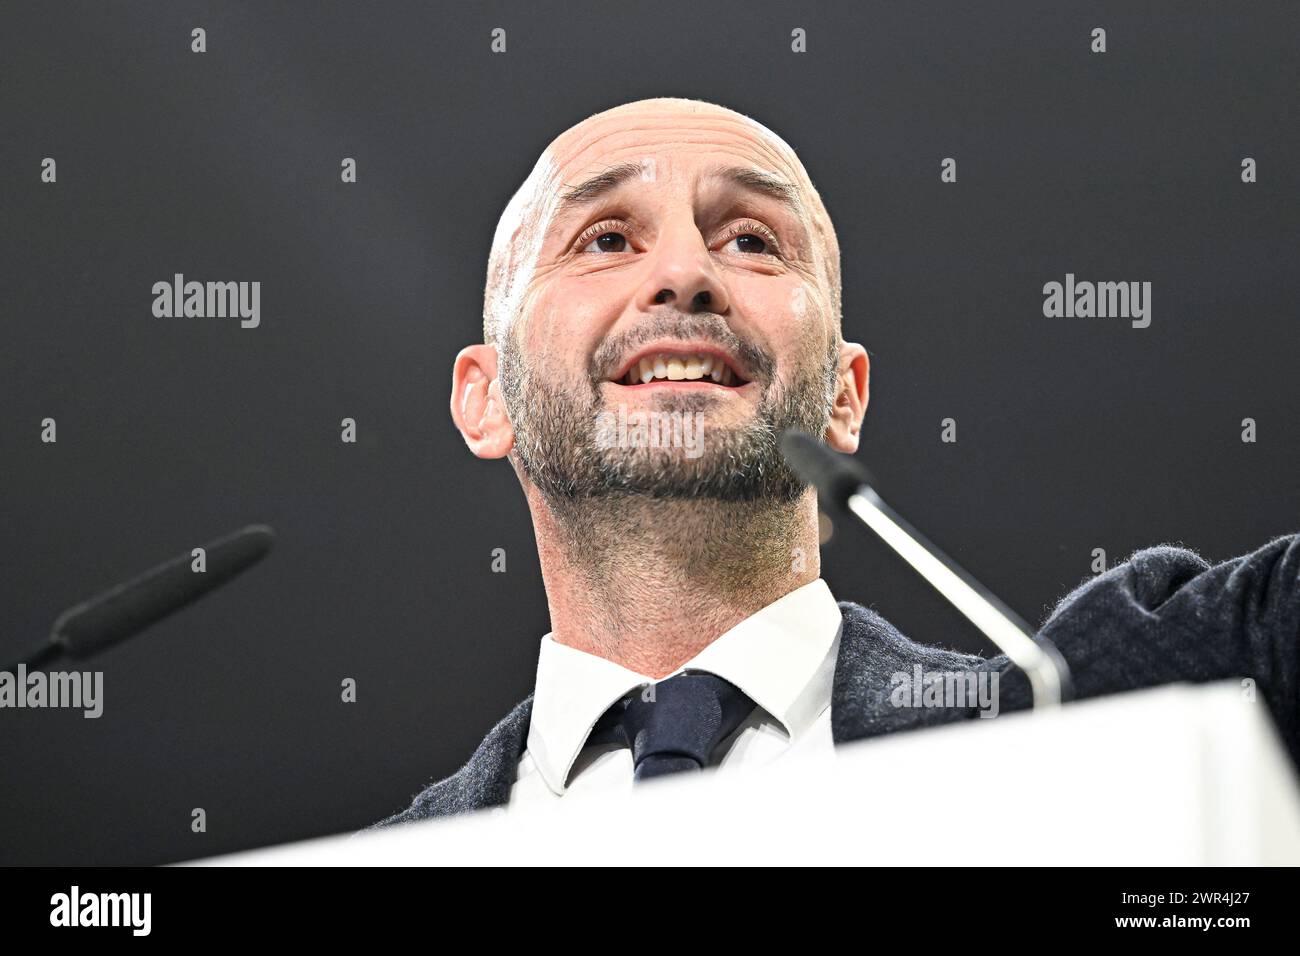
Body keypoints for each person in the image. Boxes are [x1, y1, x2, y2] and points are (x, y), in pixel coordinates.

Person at [364, 97, 1299, 829]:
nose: (686, 273)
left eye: (751, 241)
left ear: (844, 397)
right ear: (486, 399)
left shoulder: (1096, 725)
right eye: (607, 238)